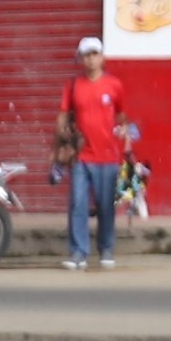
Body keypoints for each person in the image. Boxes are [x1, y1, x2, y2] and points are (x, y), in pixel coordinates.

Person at [58, 38, 132, 270]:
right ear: (81, 59)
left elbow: (121, 116)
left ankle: (106, 248)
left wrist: (125, 137)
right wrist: (62, 136)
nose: (91, 59)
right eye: (86, 55)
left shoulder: (114, 85)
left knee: (105, 206)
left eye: (94, 54)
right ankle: (78, 252)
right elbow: (63, 114)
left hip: (108, 156)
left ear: (102, 57)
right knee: (78, 204)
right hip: (82, 155)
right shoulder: (73, 85)